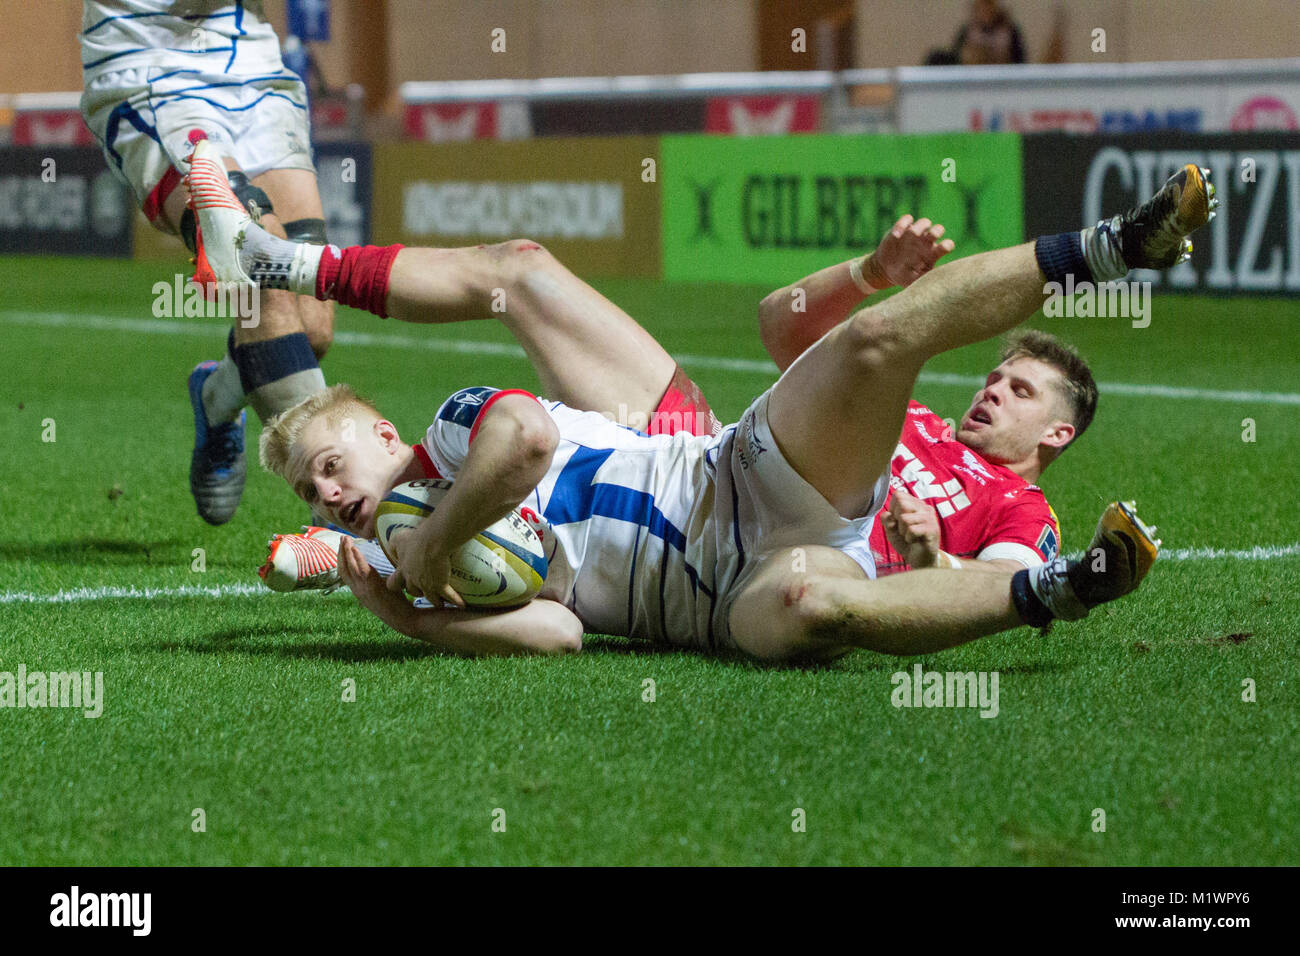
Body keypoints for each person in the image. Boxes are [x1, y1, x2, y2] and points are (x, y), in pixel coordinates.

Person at [191, 141, 1216, 659]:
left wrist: (928, 549)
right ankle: (273, 257)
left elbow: (523, 439)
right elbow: (783, 335)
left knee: (873, 340)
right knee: (528, 269)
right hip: (724, 488)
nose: (992, 386)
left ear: (1058, 434)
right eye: (998, 372)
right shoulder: (920, 425)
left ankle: (1116, 250)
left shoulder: (1014, 506)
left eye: (1021, 387)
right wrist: (865, 267)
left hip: (719, 472)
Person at [80, 0, 335, 525]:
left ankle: (216, 399)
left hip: (257, 73)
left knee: (311, 330)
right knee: (257, 269)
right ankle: (352, 520)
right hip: (151, 72)